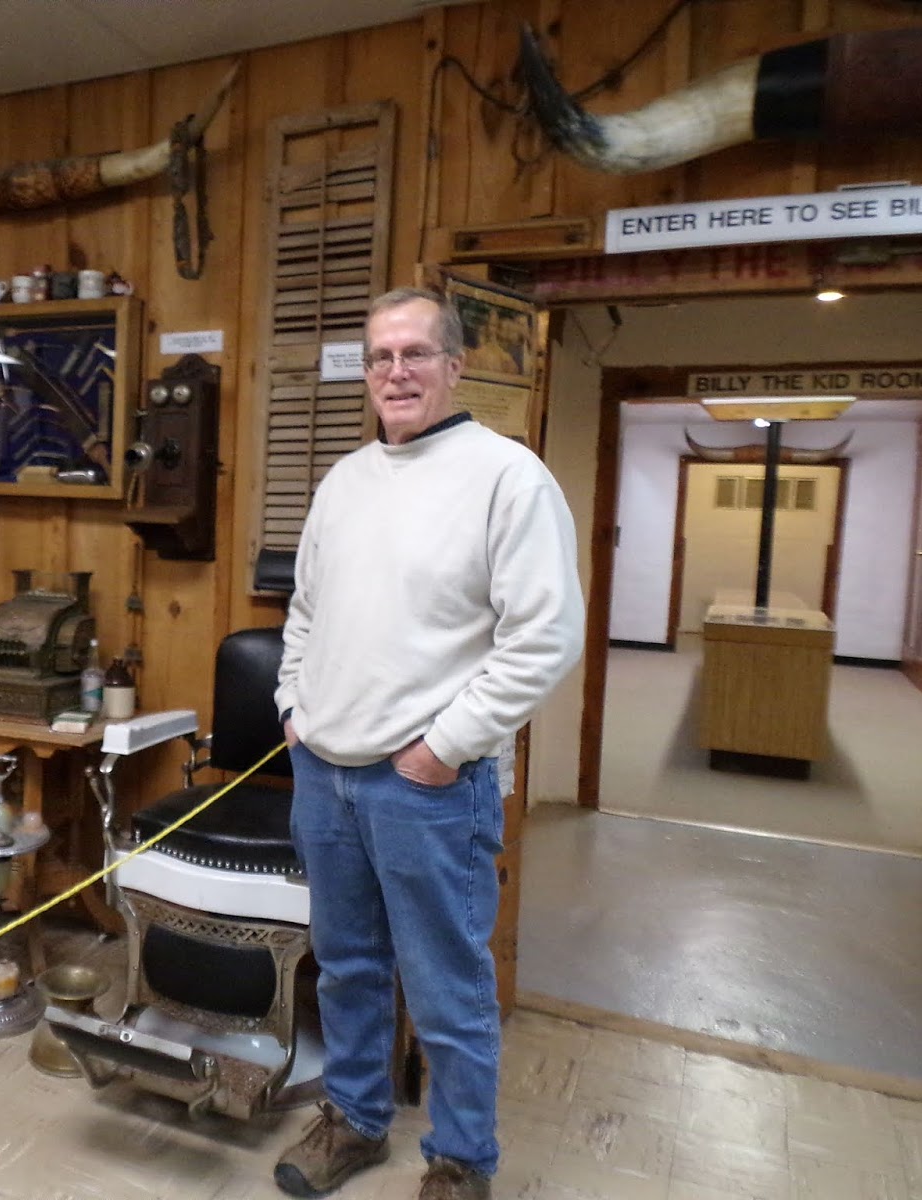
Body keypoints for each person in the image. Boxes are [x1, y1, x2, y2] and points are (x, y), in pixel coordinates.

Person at [272, 287, 583, 1199]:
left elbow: (545, 636)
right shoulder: (344, 482)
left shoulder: (508, 477)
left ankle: (460, 1161)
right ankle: (356, 1120)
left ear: (455, 365)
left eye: (415, 353)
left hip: (429, 784)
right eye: (380, 356)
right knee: (347, 969)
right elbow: (305, 612)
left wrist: (446, 745)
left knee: (447, 988)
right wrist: (294, 707)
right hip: (324, 772)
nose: (396, 372)